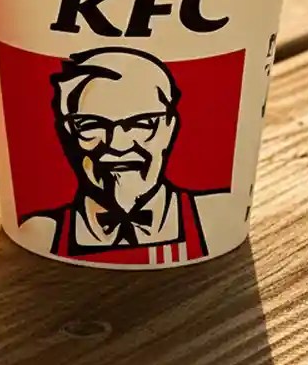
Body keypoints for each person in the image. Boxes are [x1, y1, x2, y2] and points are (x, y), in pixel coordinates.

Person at [19, 47, 209, 265]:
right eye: (92, 125)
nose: (118, 145)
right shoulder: (43, 232)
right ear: (67, 133)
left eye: (141, 123)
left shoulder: (210, 217)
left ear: (169, 128)